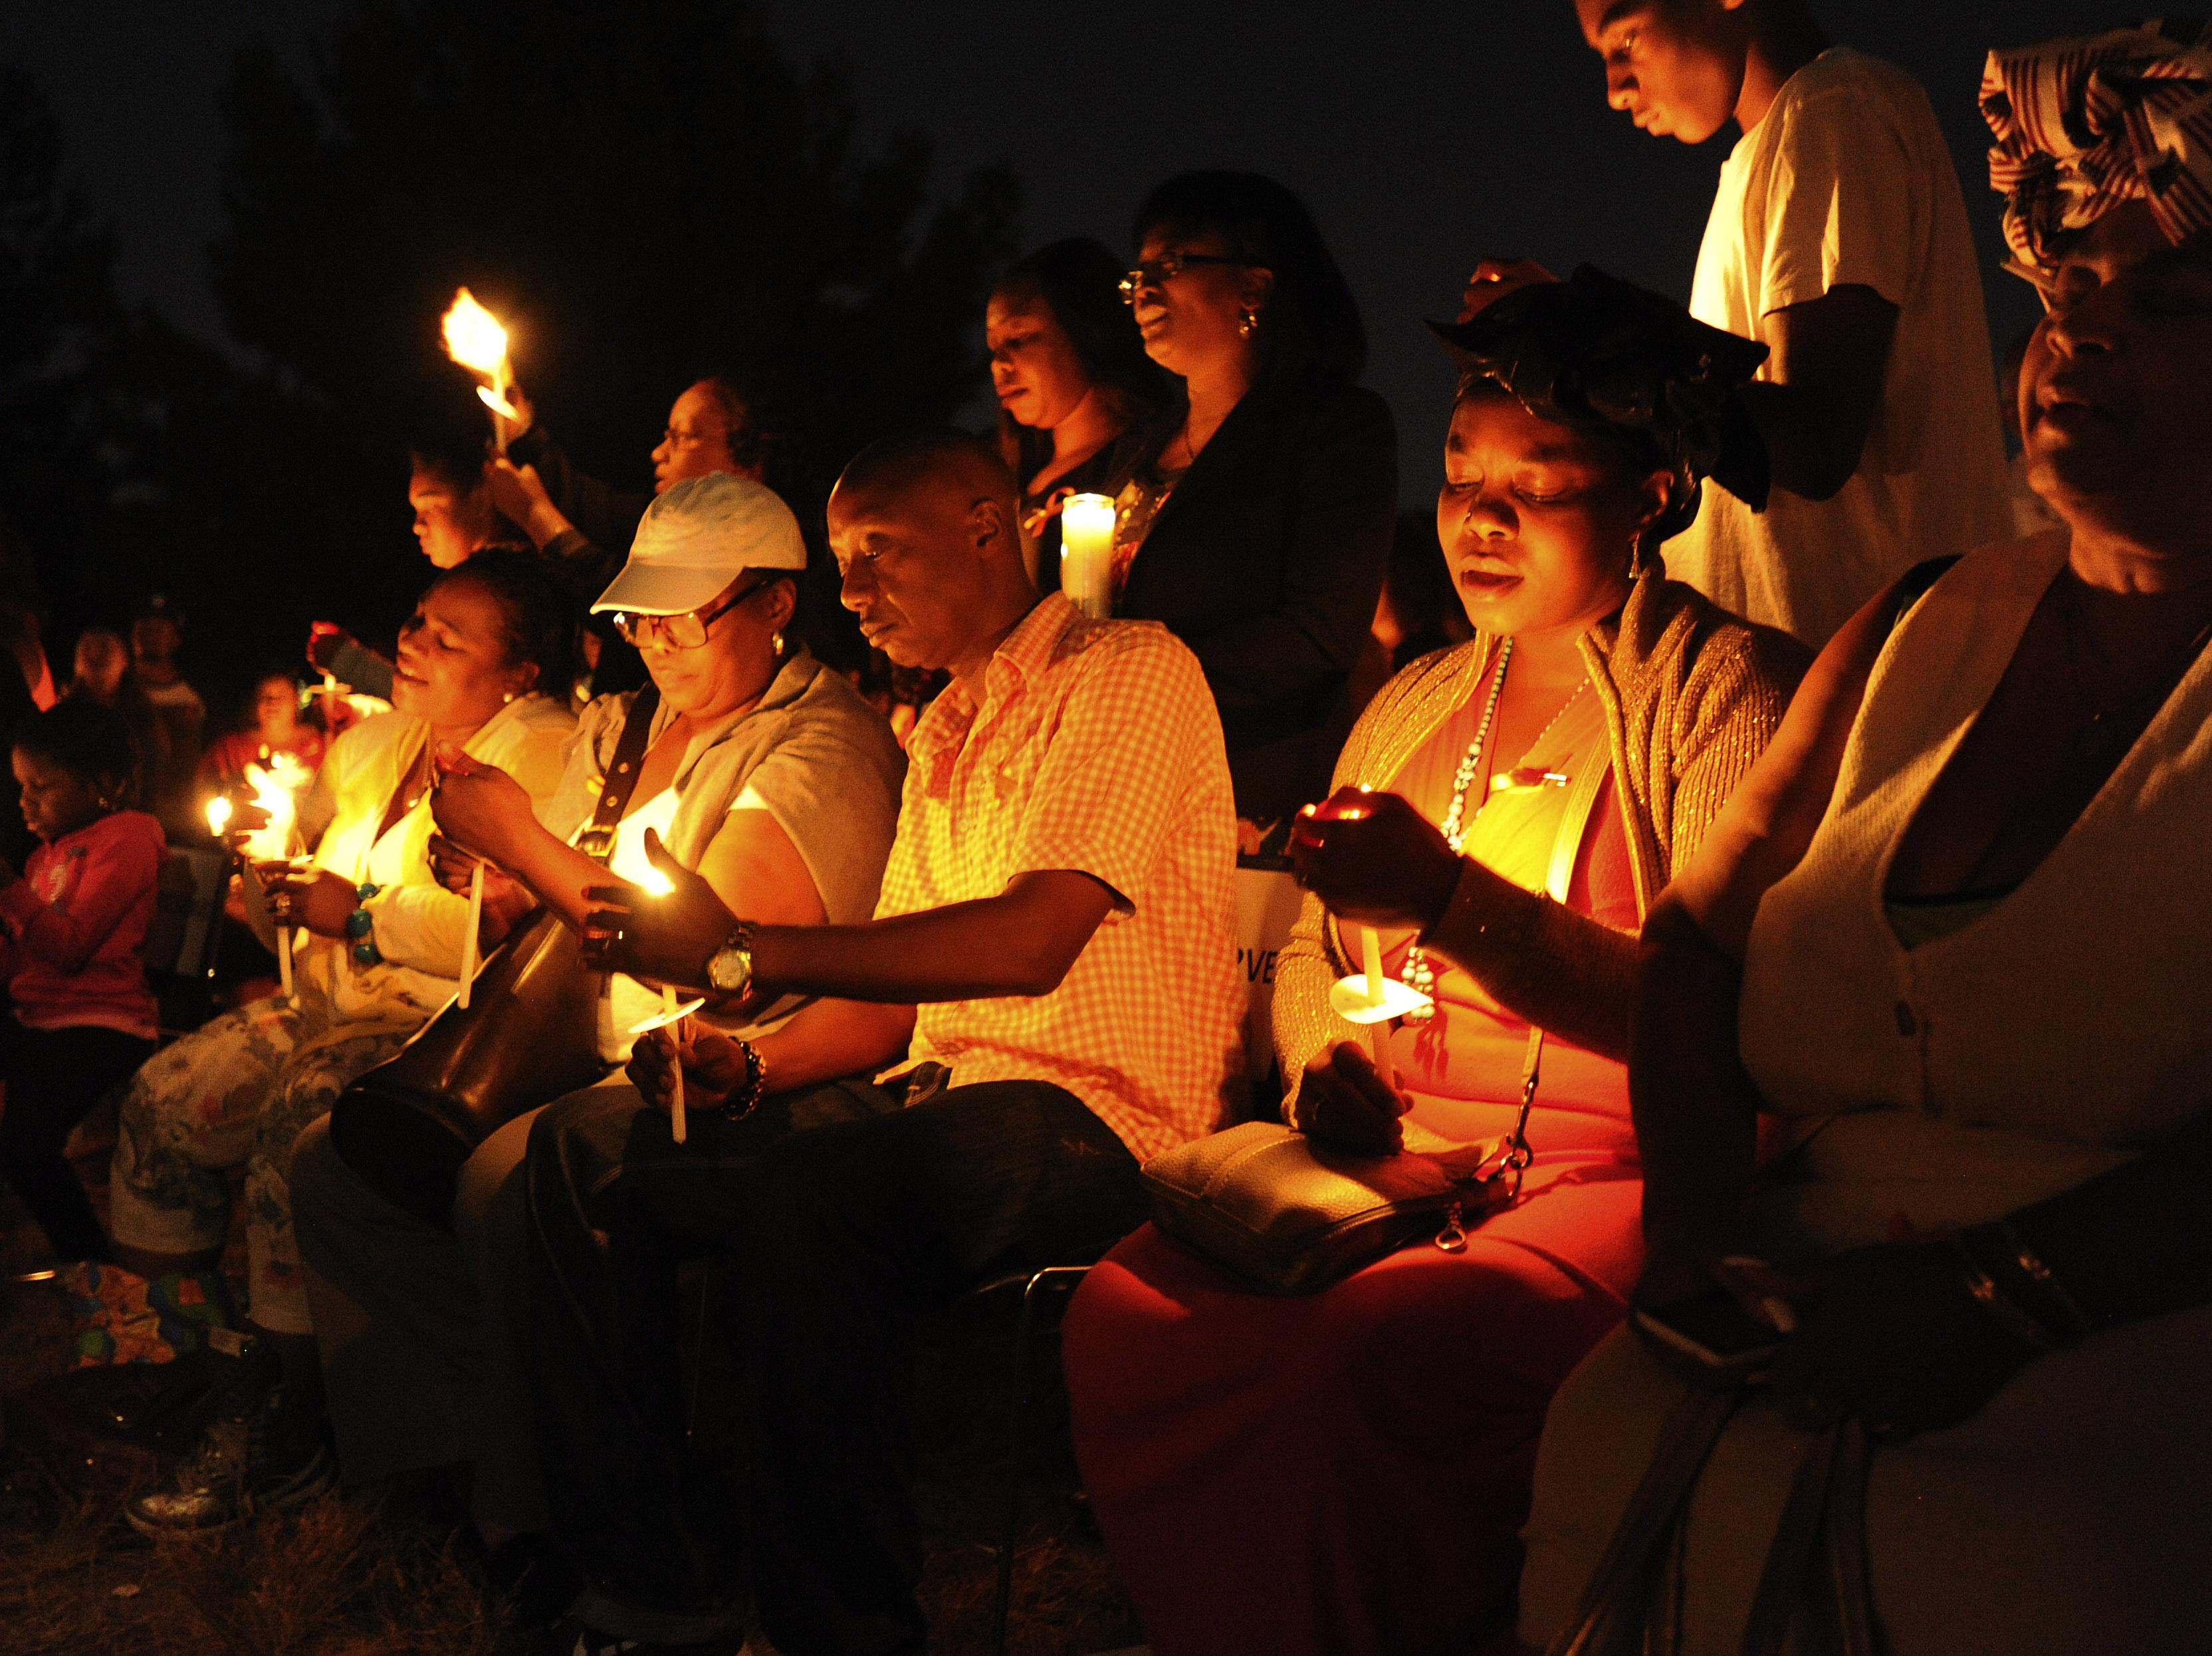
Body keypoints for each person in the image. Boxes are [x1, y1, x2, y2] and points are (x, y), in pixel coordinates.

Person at [1519, 27, 2212, 1651]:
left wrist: (2010, 1294)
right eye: (2062, 295)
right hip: (1780, 1318)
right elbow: (1695, 940)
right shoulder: (1912, 627)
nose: (2077, 331)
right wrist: (1694, 1230)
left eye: (2164, 304)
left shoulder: (1834, 120)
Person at [1061, 270, 1809, 1656]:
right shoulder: (1410, 703)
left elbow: (1734, 1024)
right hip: (1396, 1158)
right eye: (1461, 473)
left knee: (1385, 1351)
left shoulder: (1724, 697)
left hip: (1627, 1170)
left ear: (1647, 497)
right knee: (1128, 1309)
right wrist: (1326, 1061)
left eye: (1536, 481)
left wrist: (1454, 903)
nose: (1478, 516)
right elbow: (1305, 949)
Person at [520, 429, 1243, 1655]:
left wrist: (748, 951)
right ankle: (653, 1577)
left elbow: (1027, 945)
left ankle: (842, 1628)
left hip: (1099, 1119)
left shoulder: (1126, 671)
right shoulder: (946, 725)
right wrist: (746, 1064)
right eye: (842, 561)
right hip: (941, 1099)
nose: (852, 593)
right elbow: (896, 1009)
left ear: (983, 525)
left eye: (875, 554)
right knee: (589, 1152)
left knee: (818, 1198)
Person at [286, 473, 905, 1612]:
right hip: (562, 1040)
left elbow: (722, 953)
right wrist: (496, 868)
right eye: (636, 617)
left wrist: (520, 840)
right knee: (337, 1170)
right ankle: (444, 1451)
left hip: (717, 1065)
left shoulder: (824, 743)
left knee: (503, 1183)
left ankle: (543, 1522)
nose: (656, 642)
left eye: (686, 614)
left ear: (773, 603)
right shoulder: (622, 727)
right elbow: (549, 901)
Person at [106, 551, 576, 1536]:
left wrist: (355, 912)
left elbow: (515, 925)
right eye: (416, 620)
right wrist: (269, 879)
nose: (414, 641)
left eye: (451, 637)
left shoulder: (547, 755)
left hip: (442, 1025)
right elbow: (308, 880)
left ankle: (295, 1421)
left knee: (298, 1117)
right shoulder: (376, 744)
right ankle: (200, 1374)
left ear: (520, 672)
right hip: (325, 1002)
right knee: (162, 1099)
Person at [1551, 0, 2007, 649]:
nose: (1615, 88)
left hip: (1854, 690)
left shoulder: (1836, 109)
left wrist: (1592, 342)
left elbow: (1816, 440)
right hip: (1783, 685)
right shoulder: (1776, 146)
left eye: (1625, 38)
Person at [1107, 170, 1398, 843]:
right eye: (1137, 274)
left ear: (1255, 285)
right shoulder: (1136, 451)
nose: (1144, 290)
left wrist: (1137, 673)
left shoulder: (1332, 429)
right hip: (1119, 782)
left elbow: (1319, 633)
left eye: (1172, 263)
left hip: (1245, 794)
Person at [0, 700, 165, 1268]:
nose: (25, 800)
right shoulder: (43, 858)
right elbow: (25, 962)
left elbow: (68, 950)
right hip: (39, 1020)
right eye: (21, 784)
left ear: (102, 785)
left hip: (103, 1022)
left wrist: (8, 890)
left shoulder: (130, 836)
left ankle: (90, 1264)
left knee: (23, 1146)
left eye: (42, 785)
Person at [314, 406, 533, 701]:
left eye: (431, 506)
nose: (417, 526)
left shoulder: (512, 596)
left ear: (481, 499)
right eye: (416, 510)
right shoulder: (473, 584)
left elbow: (458, 705)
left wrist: (351, 664)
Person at [988, 237, 1165, 586]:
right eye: (993, 348)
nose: (999, 365)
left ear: (1086, 332)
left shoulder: (1147, 466)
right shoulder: (1004, 479)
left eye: (1019, 339)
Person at [130, 593, 207, 837]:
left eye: (160, 630)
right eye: (144, 629)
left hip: (177, 818)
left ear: (175, 639)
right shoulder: (115, 689)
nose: (150, 636)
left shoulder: (195, 695)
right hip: (125, 812)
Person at [195, 669, 330, 802]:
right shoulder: (231, 749)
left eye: (281, 695)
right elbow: (206, 790)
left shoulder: (320, 745)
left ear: (296, 700)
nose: (273, 703)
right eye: (266, 696)